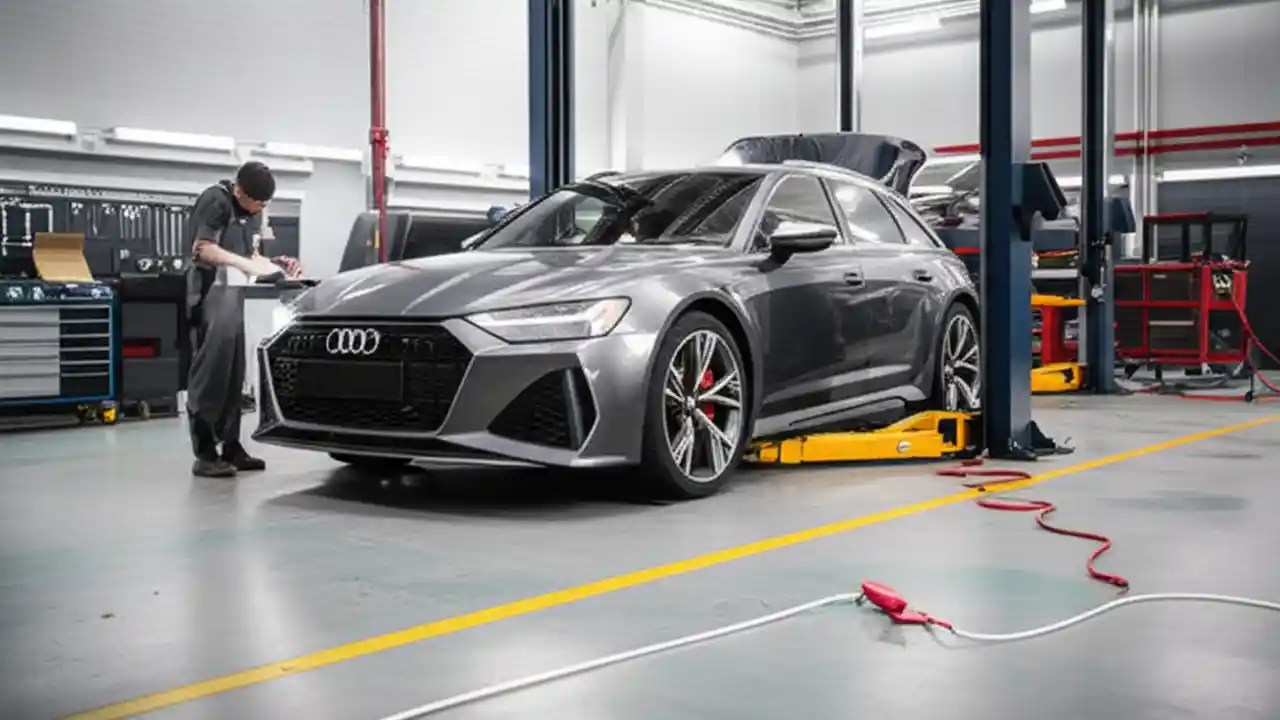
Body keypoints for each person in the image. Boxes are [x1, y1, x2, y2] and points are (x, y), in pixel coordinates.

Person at [184, 161, 302, 477]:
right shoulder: (215, 200)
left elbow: (249, 256)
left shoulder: (251, 214)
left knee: (236, 375)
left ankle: (232, 447)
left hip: (235, 297)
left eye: (265, 204)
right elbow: (203, 249)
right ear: (240, 191)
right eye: (258, 202)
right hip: (210, 296)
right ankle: (206, 453)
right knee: (210, 375)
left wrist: (278, 264)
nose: (261, 209)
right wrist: (248, 266)